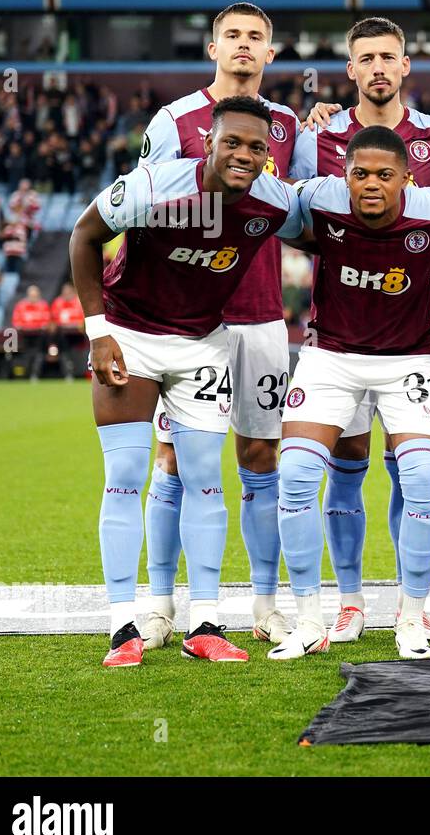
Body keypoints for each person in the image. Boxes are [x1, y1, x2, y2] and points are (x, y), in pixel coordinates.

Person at [68, 96, 305, 668]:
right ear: (207, 143)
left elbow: (337, 229)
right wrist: (98, 332)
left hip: (203, 343)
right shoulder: (154, 186)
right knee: (125, 474)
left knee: (204, 479)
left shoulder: (274, 203)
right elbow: (83, 235)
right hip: (132, 335)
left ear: (269, 154)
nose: (243, 155)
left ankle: (205, 623)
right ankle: (121, 624)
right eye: (232, 143)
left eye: (256, 147)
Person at [292, 15, 430, 646]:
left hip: (412, 333)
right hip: (337, 334)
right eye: (364, 57)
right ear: (350, 68)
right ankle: (347, 602)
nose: (377, 67)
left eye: (388, 56)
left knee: (412, 471)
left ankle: (411, 602)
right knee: (346, 461)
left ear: (405, 66)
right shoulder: (319, 136)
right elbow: (298, 212)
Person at [136, 2, 301, 650]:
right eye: (231, 35)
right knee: (173, 458)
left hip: (261, 317)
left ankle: (265, 605)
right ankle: (159, 604)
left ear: (270, 53)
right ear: (212, 48)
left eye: (255, 37)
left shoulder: (290, 126)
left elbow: (307, 206)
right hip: (184, 324)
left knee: (261, 457)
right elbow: (138, 206)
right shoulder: (173, 121)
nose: (242, 45)